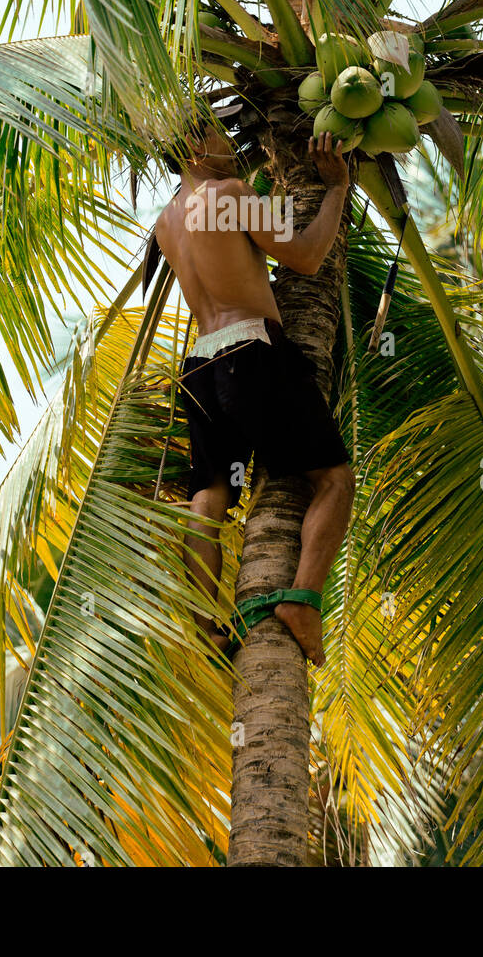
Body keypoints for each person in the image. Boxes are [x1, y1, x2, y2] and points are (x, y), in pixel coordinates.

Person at [154, 107, 355, 666]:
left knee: (208, 497)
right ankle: (303, 600)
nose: (230, 142)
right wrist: (336, 188)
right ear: (196, 146)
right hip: (252, 352)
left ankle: (205, 624)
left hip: (199, 365)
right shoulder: (230, 192)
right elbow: (309, 258)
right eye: (218, 133)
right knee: (335, 481)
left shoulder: (167, 222)